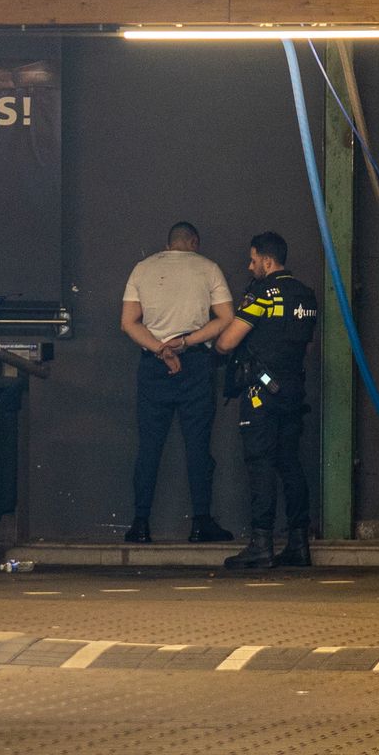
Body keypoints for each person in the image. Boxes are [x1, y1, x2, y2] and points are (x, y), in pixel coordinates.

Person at [120, 222, 236, 544]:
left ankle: (140, 524)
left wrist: (161, 349)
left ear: (168, 243)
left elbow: (128, 322)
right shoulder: (208, 268)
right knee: (198, 446)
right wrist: (185, 343)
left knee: (149, 447)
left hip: (153, 366)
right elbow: (225, 317)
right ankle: (201, 522)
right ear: (194, 242)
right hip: (196, 364)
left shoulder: (143, 269)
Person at [215, 231, 319, 570]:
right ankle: (299, 544)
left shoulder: (262, 293)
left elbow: (229, 341)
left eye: (253, 259)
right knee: (290, 464)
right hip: (293, 391)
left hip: (262, 393)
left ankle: (261, 545)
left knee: (260, 463)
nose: (250, 265)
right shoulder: (305, 296)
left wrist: (217, 349)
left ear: (267, 260)